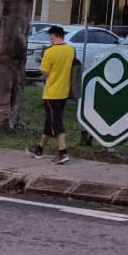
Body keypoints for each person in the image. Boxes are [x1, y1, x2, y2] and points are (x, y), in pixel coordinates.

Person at [26, 25, 75, 164]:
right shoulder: (70, 50)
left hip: (51, 93)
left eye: (50, 36)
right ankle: (39, 149)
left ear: (53, 36)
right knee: (50, 122)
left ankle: (63, 152)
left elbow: (45, 73)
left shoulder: (49, 52)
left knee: (56, 123)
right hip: (64, 92)